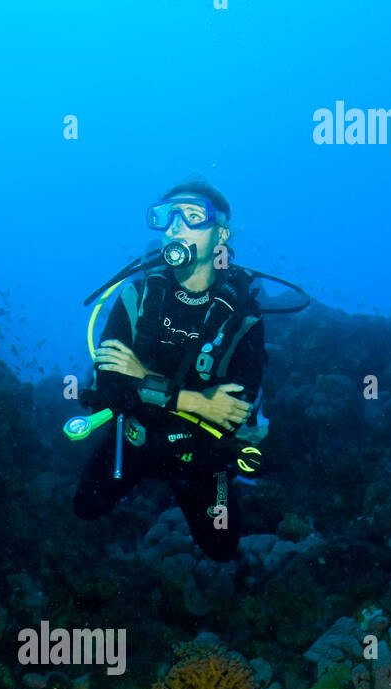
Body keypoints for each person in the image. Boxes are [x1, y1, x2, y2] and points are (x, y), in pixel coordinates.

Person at [72, 180, 267, 561]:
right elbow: (109, 387)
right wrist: (195, 400)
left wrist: (139, 375)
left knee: (222, 550)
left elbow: (234, 409)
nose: (176, 226)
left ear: (221, 234)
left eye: (192, 217)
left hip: (201, 455)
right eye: (167, 217)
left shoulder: (244, 315)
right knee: (85, 508)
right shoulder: (137, 295)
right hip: (132, 441)